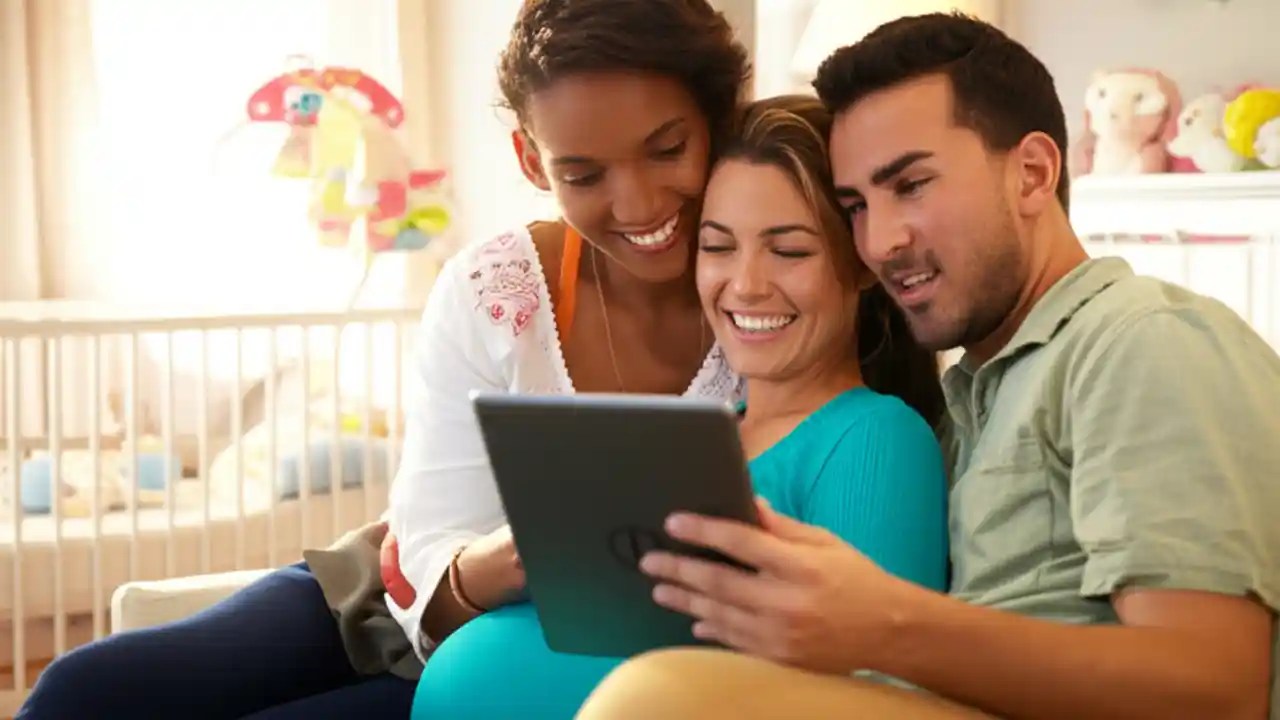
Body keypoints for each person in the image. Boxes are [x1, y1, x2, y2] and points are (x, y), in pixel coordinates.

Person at [16, 1, 748, 718]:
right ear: (532, 160)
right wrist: (476, 572)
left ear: (719, 120)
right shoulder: (493, 293)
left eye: (666, 149)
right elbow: (426, 534)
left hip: (521, 663)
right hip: (384, 595)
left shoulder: (775, 303)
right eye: (584, 175)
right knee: (81, 691)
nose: (638, 202)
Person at [576, 12, 1280, 720]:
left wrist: (885, 623)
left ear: (1032, 174)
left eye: (912, 185)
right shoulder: (968, 401)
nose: (879, 241)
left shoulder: (1140, 339)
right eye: (855, 205)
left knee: (658, 698)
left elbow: (1215, 688)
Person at [412, 91, 951, 718]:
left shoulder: (876, 438)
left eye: (789, 250)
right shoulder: (698, 437)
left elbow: (874, 695)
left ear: (859, 265)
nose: (745, 285)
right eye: (719, 247)